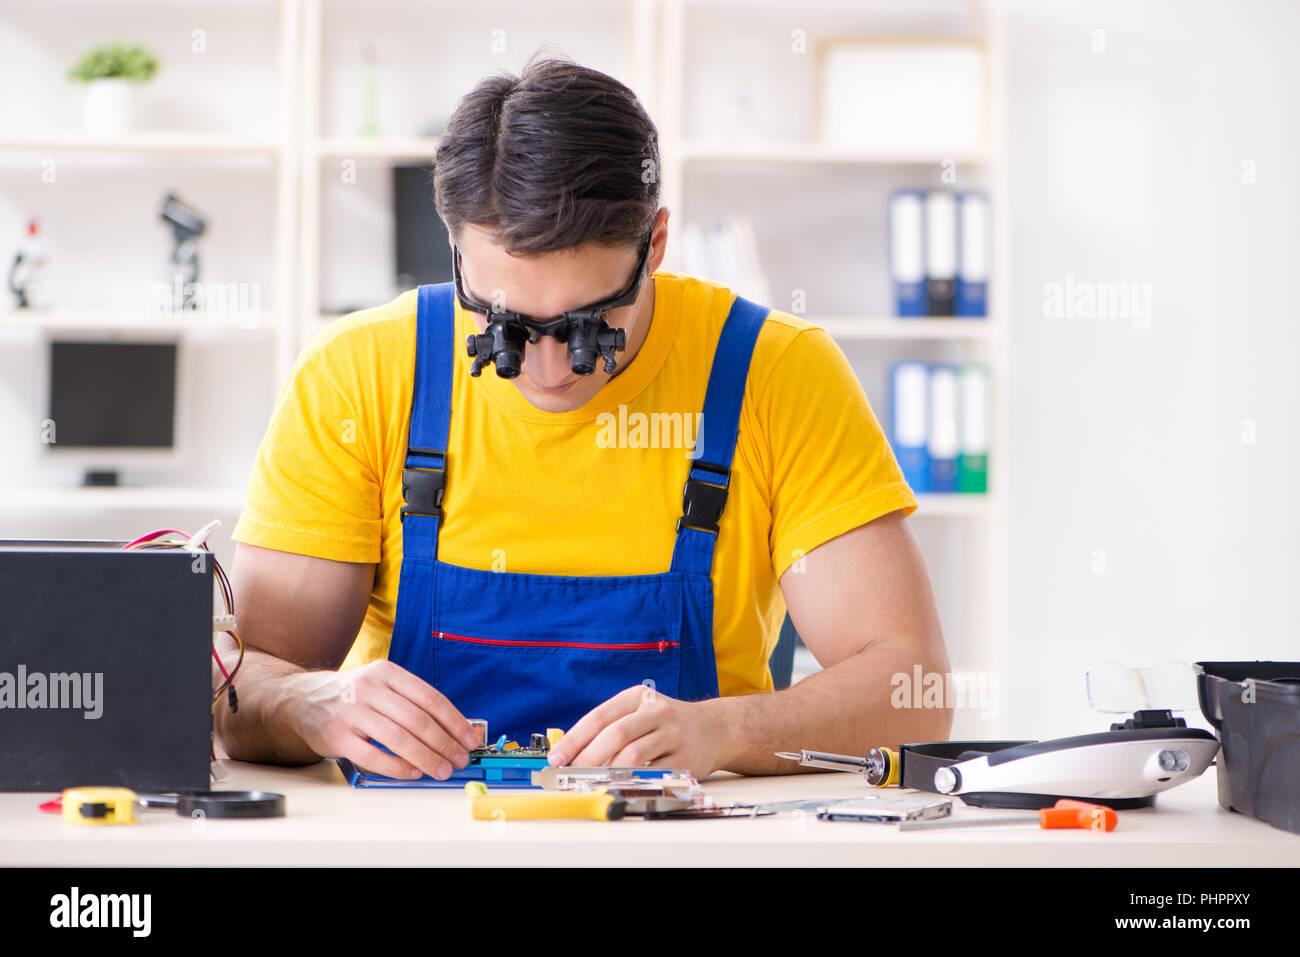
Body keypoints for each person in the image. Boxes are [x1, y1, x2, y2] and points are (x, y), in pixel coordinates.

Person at [216, 55, 951, 782]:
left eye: (589, 327)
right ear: (455, 256)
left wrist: (723, 729)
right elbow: (236, 692)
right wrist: (308, 702)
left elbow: (913, 692)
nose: (549, 369)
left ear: (654, 245)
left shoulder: (774, 372)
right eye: (502, 326)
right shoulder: (360, 374)